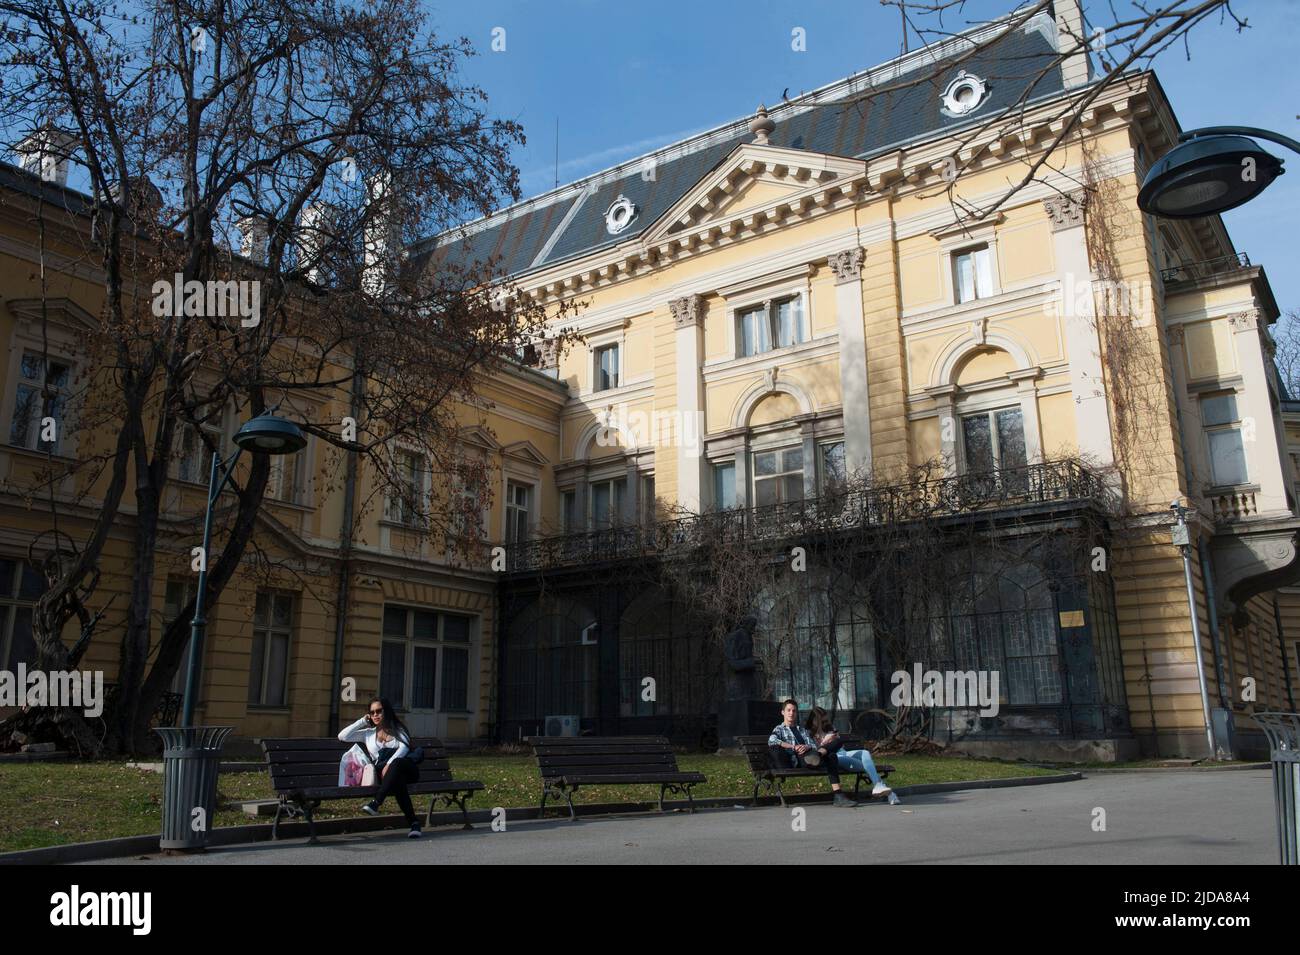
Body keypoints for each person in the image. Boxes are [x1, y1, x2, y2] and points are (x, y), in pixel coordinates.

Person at [339, 697, 423, 837]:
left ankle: (377, 802)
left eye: (379, 711)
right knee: (398, 782)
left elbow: (404, 748)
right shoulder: (368, 733)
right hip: (390, 777)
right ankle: (414, 824)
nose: (375, 715)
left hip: (406, 769)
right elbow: (342, 736)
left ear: (387, 711)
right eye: (372, 712)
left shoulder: (398, 728)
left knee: (397, 764)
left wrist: (389, 764)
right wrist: (362, 721)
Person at [768, 698, 856, 807]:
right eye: (789, 710)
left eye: (794, 711)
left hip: (811, 755)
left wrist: (807, 746)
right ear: (783, 712)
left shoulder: (802, 730)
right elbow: (772, 740)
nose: (791, 713)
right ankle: (817, 756)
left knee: (834, 749)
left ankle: (838, 796)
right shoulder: (779, 729)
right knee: (818, 755)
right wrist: (794, 747)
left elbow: (813, 745)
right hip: (798, 759)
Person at [805, 705, 896, 802]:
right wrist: (824, 742)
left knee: (864, 753)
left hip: (843, 753)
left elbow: (839, 744)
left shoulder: (829, 728)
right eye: (822, 721)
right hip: (834, 757)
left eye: (825, 721)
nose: (825, 723)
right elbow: (815, 754)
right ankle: (887, 791)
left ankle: (879, 787)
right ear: (814, 721)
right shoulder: (809, 733)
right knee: (867, 766)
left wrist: (835, 738)